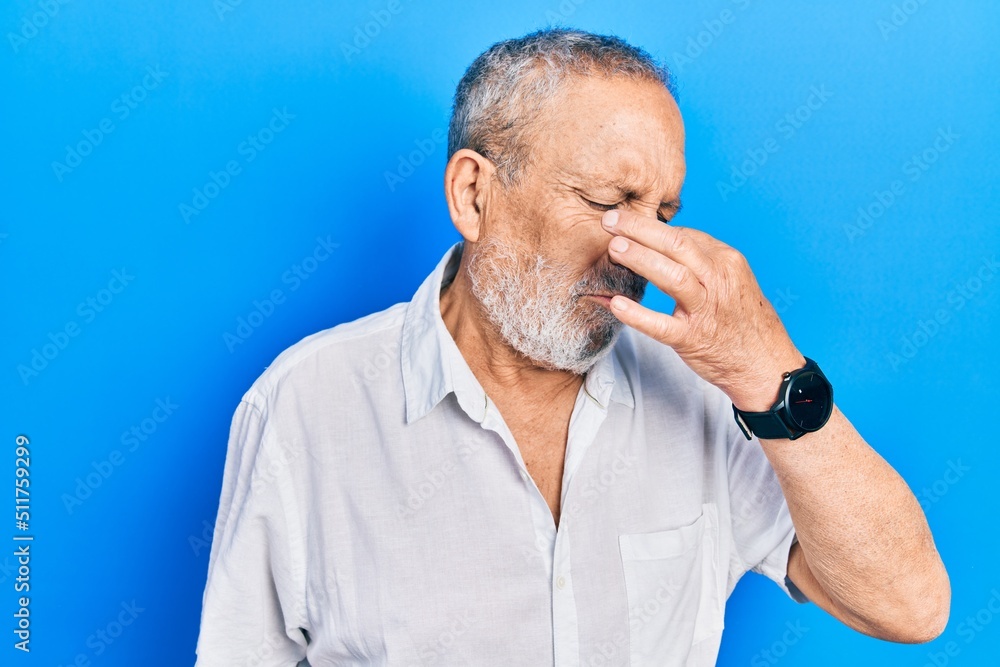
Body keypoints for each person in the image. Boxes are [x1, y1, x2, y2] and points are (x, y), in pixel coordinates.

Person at [194, 28, 950, 666]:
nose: (641, 244)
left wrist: (771, 372)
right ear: (474, 195)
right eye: (608, 201)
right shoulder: (307, 407)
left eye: (662, 210)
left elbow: (910, 606)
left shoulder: (708, 398)